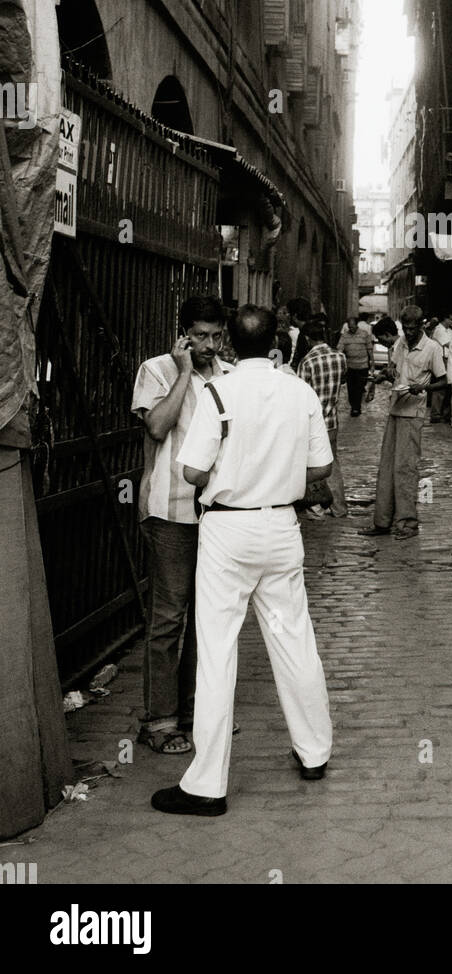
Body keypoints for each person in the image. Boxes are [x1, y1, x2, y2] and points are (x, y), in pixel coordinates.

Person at [150, 305, 334, 817]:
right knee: (294, 639)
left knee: (216, 650)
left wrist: (234, 472)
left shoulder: (218, 393)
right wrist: (278, 471)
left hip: (229, 531)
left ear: (229, 342)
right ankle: (314, 751)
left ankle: (207, 785)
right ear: (275, 340)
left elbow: (190, 473)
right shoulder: (299, 390)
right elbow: (322, 465)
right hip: (281, 528)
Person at [131, 295, 232, 756]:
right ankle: (159, 721)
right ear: (184, 334)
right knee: (168, 618)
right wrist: (186, 372)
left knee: (206, 620)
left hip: (215, 515)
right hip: (169, 512)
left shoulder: (231, 377)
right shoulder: (156, 370)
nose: (209, 345)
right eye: (201, 336)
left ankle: (195, 716)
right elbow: (156, 427)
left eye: (216, 336)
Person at [359, 305, 446, 540]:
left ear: (420, 326)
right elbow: (393, 370)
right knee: (387, 467)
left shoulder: (432, 348)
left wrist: (423, 387)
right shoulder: (400, 344)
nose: (408, 332)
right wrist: (382, 376)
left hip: (413, 413)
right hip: (395, 408)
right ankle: (383, 521)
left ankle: (408, 522)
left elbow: (443, 380)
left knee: (405, 468)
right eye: (405, 328)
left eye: (412, 328)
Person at [298, 318, 348, 518]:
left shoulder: (307, 362)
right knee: (332, 463)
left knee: (312, 464)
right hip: (332, 420)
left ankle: (316, 506)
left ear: (309, 339)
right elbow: (342, 380)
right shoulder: (340, 357)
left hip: (312, 422)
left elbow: (300, 395)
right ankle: (339, 507)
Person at [337, 313, 375, 416]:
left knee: (359, 388)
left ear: (356, 325)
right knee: (351, 389)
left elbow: (370, 349)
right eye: (349, 327)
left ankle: (356, 408)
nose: (351, 329)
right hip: (350, 367)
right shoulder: (345, 336)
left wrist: (372, 364)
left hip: (362, 366)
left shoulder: (364, 334)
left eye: (353, 327)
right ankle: (354, 406)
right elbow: (339, 349)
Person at [429, 313, 452, 423]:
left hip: (449, 359)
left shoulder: (449, 330)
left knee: (448, 387)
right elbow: (450, 344)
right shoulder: (439, 330)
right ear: (445, 318)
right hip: (441, 359)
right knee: (440, 387)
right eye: (450, 319)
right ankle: (435, 414)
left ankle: (444, 413)